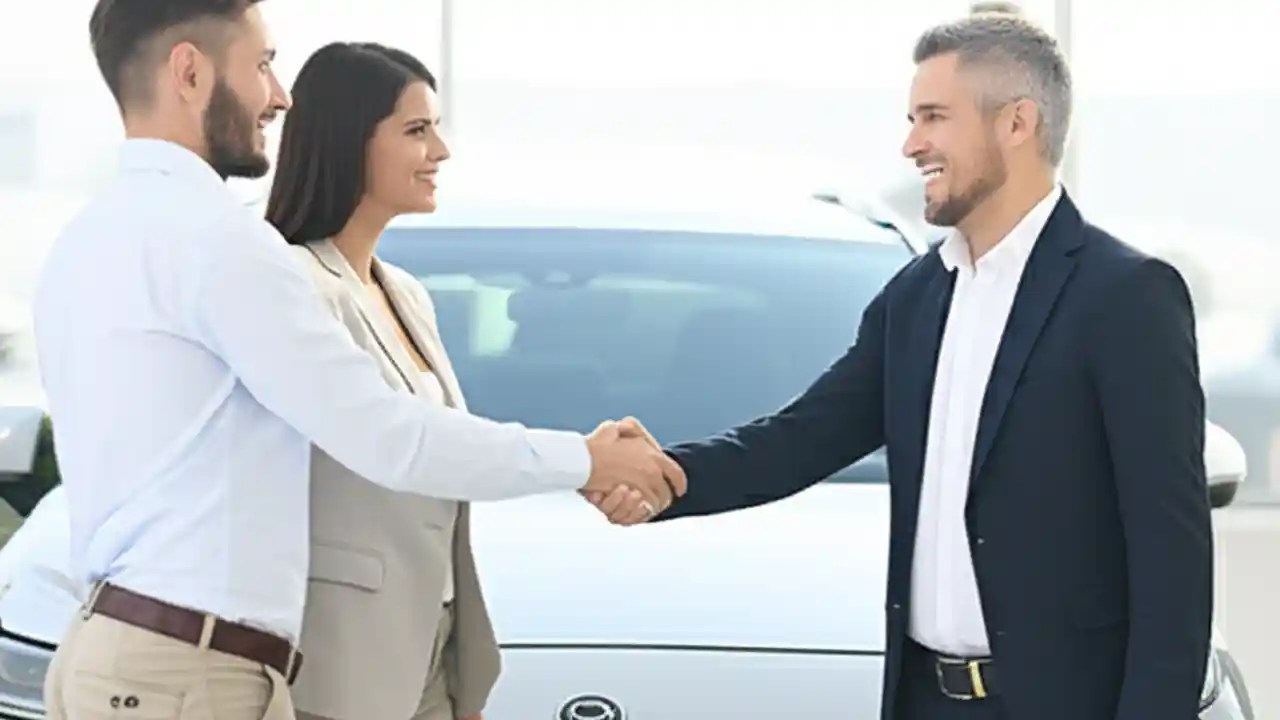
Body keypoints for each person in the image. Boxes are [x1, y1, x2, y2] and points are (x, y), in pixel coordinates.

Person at [35, 2, 683, 718]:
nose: (280, 96)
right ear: (189, 72)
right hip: (186, 673)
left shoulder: (88, 239)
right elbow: (387, 436)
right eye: (263, 65)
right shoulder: (218, 243)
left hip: (128, 655)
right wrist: (588, 461)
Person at [604, 13, 1213, 720]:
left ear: (1017, 123)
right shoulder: (918, 295)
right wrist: (662, 478)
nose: (911, 143)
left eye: (933, 117)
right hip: (924, 700)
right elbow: (803, 437)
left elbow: (1173, 558)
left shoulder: (1124, 296)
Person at [262, 43, 641, 720]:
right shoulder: (295, 285)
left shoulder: (405, 292)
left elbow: (448, 460)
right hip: (342, 663)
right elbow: (406, 441)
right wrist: (587, 459)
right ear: (348, 140)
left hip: (433, 649)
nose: (442, 149)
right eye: (416, 130)